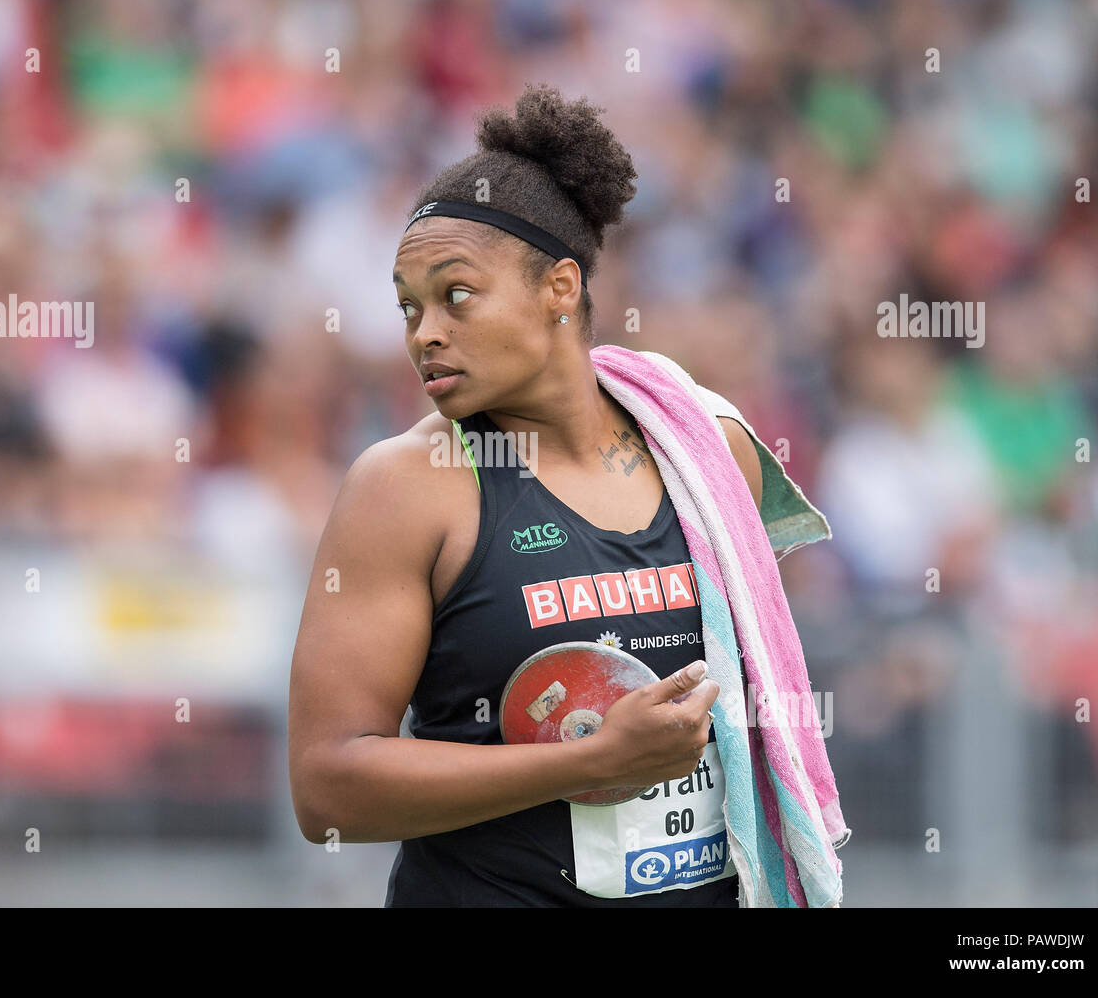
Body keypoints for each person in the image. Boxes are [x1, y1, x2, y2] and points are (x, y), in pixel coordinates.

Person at [288, 85, 788, 907]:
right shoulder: (406, 489)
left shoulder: (710, 449)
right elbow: (327, 788)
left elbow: (757, 692)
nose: (424, 333)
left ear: (560, 288)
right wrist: (590, 763)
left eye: (456, 294)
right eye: (407, 307)